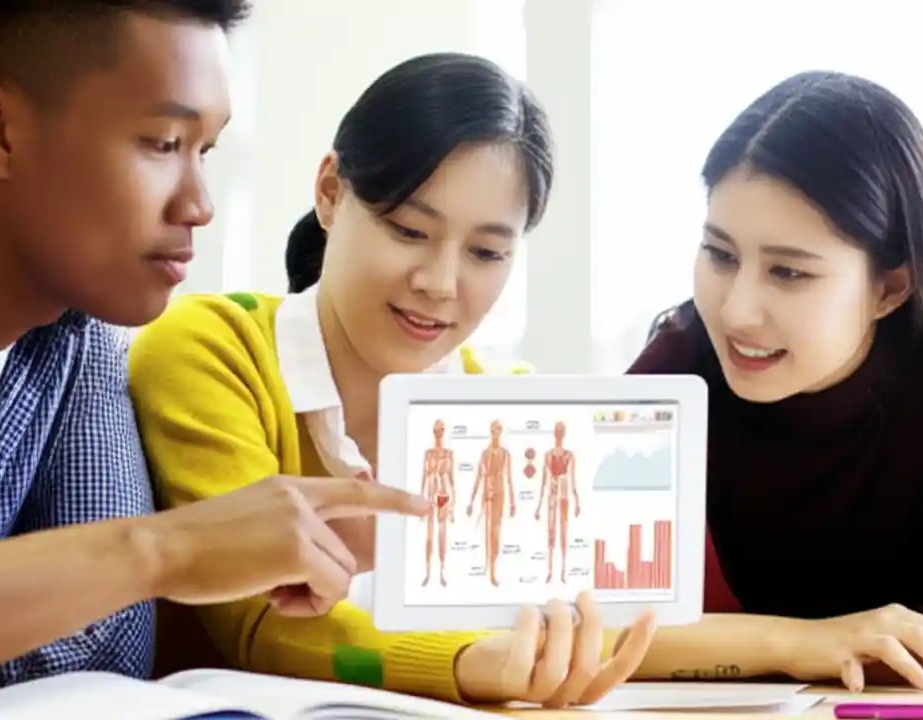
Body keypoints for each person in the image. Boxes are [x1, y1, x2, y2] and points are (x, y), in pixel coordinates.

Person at [0, 2, 434, 716]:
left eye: (204, 150)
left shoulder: (81, 332)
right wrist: (159, 553)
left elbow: (100, 651)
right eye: (160, 142)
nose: (200, 204)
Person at [129, 52, 657, 710]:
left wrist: (803, 644)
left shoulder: (507, 405)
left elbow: (597, 626)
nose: (439, 282)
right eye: (409, 230)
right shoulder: (215, 348)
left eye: (487, 252)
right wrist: (474, 661)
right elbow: (259, 623)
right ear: (330, 192)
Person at [627, 70, 923, 691]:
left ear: (890, 287)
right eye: (720, 255)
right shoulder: (682, 356)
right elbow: (596, 626)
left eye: (790, 273)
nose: (736, 310)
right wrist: (805, 646)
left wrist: (798, 653)